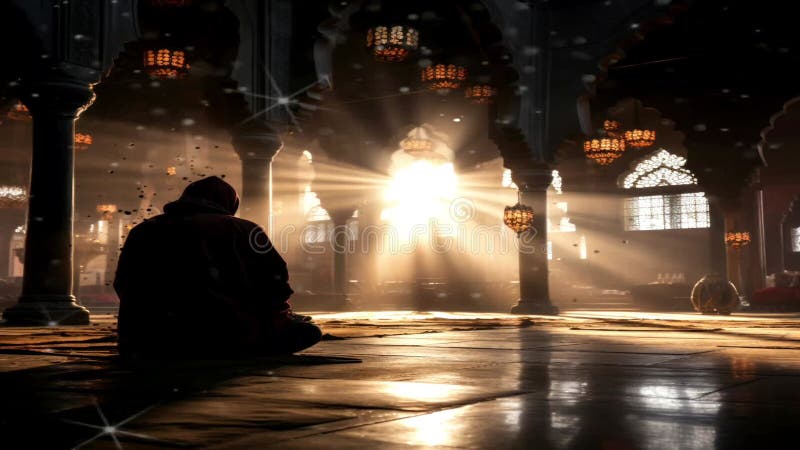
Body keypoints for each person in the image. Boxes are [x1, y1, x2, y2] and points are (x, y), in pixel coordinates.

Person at [113, 176, 321, 359]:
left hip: (149, 342)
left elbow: (122, 283)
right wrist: (280, 317)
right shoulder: (244, 229)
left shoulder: (144, 230)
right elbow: (275, 283)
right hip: (227, 336)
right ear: (230, 203)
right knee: (308, 331)